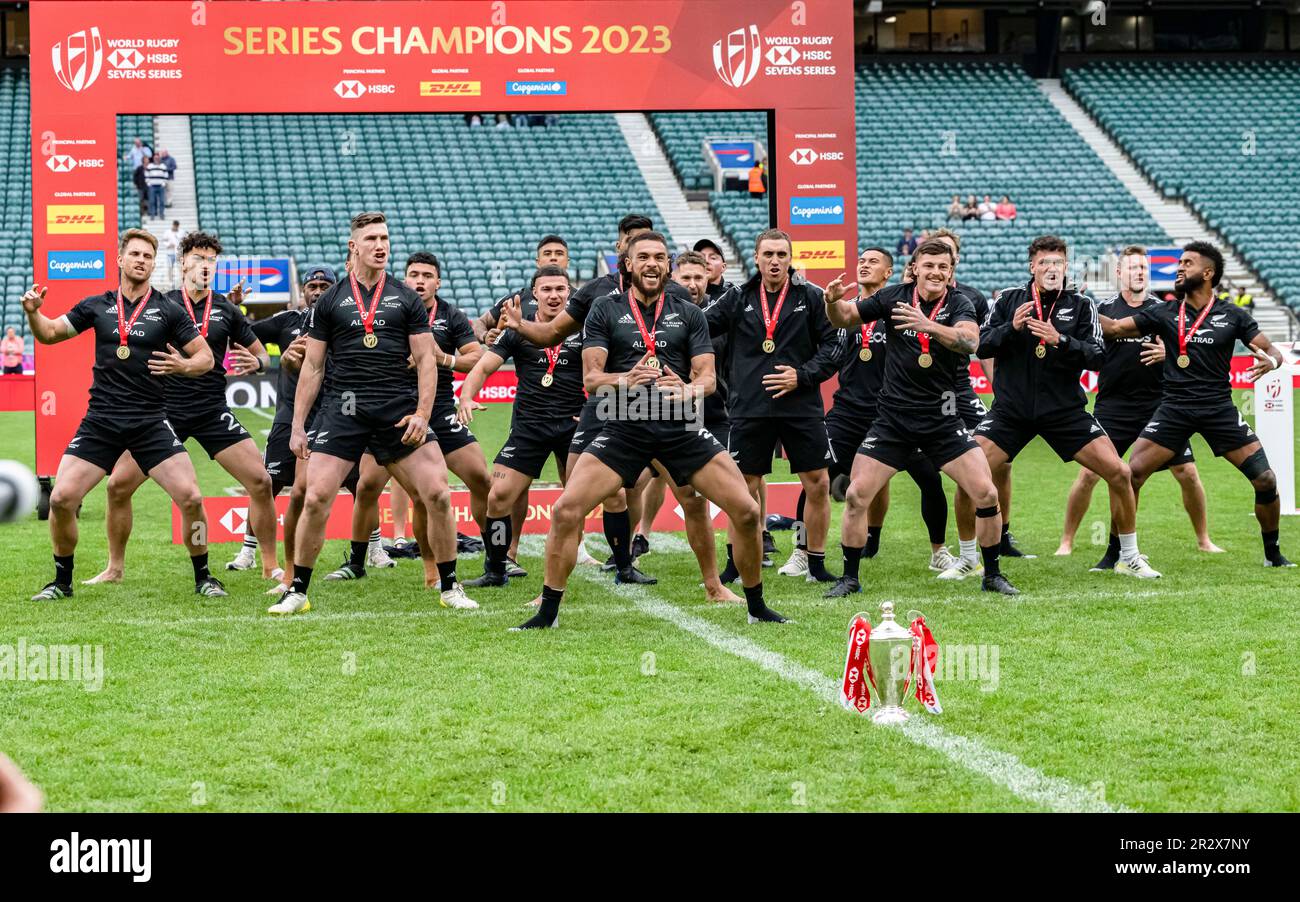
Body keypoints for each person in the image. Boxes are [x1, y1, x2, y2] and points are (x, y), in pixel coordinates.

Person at [511, 231, 786, 629]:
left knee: (746, 510)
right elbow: (591, 379)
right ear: (629, 265)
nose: (652, 264)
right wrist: (626, 379)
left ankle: (756, 606)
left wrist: (689, 388)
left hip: (681, 426)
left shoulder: (689, 313)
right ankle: (547, 613)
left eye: (659, 257)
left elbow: (707, 379)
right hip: (624, 423)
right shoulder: (604, 309)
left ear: (667, 265)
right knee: (566, 510)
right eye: (644, 258)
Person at [272, 211, 469, 615]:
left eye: (385, 238)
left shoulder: (406, 298)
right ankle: (297, 591)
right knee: (315, 496)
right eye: (372, 239)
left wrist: (421, 413)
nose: (381, 246)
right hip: (342, 411)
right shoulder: (329, 301)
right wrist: (297, 425)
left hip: (397, 409)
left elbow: (426, 361)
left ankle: (450, 585)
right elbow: (312, 367)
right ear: (353, 246)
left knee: (438, 494)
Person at [23, 229, 218, 600]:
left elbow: (206, 358)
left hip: (150, 421)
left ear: (153, 264)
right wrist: (34, 314)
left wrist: (182, 367)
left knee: (191, 498)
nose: (142, 260)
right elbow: (48, 334)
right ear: (120, 259)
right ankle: (62, 582)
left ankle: (204, 577)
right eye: (136, 254)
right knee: (62, 499)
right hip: (102, 421)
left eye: (148, 256)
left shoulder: (169, 310)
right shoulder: (95, 306)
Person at [500, 213, 693, 585]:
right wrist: (521, 325)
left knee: (686, 495)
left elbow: (697, 347)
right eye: (635, 243)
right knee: (578, 495)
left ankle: (706, 582)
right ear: (623, 249)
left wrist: (692, 386)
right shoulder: (594, 293)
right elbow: (553, 332)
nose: (646, 258)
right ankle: (555, 586)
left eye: (654, 250)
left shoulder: (678, 297)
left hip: (665, 408)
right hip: (606, 403)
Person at [822, 239, 1018, 597]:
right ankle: (850, 577)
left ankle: (992, 574)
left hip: (941, 420)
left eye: (943, 267)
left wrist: (928, 326)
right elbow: (847, 318)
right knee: (855, 495)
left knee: (986, 493)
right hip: (892, 420)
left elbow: (970, 342)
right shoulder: (893, 296)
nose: (936, 273)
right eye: (929, 266)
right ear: (915, 268)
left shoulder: (959, 302)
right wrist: (832, 301)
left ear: (951, 272)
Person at [84, 230, 279, 586]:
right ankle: (114, 568)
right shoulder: (163, 303)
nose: (205, 266)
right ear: (183, 262)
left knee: (261, 481)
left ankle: (269, 564)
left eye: (211, 260)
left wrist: (259, 366)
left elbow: (262, 355)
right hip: (163, 413)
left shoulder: (226, 308)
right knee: (117, 487)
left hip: (210, 411)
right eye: (198, 258)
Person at [969, 235, 1159, 579]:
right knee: (972, 474)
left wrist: (1061, 340)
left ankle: (1128, 556)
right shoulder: (1008, 300)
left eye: (1057, 263)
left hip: (1064, 412)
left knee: (1120, 473)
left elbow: (1099, 356)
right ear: (1032, 267)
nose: (1051, 269)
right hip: (1011, 411)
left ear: (1066, 267)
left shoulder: (1083, 305)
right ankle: (968, 558)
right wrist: (1011, 329)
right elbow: (980, 346)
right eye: (1044, 263)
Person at [1101, 241, 1293, 568]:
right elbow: (1117, 329)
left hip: (1219, 409)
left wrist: (1272, 363)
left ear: (1208, 273)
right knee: (1129, 476)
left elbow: (1272, 350)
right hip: (1173, 409)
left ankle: (1273, 554)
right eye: (1179, 262)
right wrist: (1082, 309)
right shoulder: (1164, 311)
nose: (1179, 267)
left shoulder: (1233, 314)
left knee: (1266, 480)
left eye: (1187, 263)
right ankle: (1115, 553)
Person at [786, 246, 955, 578]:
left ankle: (937, 551)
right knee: (816, 478)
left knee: (930, 480)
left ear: (889, 272)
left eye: (872, 262)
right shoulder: (846, 314)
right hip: (847, 413)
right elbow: (830, 352)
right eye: (860, 261)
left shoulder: (901, 308)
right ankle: (801, 551)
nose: (863, 265)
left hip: (893, 415)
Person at [1057, 245, 1221, 563]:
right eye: (1132, 267)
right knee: (1089, 475)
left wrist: (1167, 355)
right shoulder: (1102, 310)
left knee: (1187, 472)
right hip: (1113, 405)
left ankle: (1204, 539)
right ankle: (1067, 540)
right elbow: (1087, 349)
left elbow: (1186, 355)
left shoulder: (1166, 312)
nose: (1139, 273)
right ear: (1119, 273)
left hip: (1158, 406)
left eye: (1143, 268)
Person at [703, 229, 840, 585]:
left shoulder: (812, 298)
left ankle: (816, 561)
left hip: (801, 407)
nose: (775, 261)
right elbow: (699, 326)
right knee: (744, 487)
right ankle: (736, 564)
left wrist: (803, 375)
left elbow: (833, 349)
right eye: (768, 255)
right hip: (750, 408)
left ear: (790, 258)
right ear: (756, 258)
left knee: (818, 483)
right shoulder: (738, 297)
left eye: (781, 254)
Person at [459, 266, 584, 587]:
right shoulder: (517, 331)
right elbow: (485, 365)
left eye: (560, 289)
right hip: (530, 426)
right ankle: (497, 569)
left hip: (575, 424)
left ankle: (622, 564)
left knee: (594, 498)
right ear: (535, 295)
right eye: (547, 290)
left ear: (569, 293)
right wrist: (467, 396)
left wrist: (599, 410)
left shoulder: (585, 328)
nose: (554, 295)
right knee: (499, 496)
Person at [241, 265, 340, 594]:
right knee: (268, 485)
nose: (317, 289)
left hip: (333, 417)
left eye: (325, 285)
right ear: (303, 292)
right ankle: (249, 550)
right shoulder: (287, 321)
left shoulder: (344, 323)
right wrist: (232, 307)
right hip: (289, 417)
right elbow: (244, 332)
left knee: (363, 485)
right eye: (312, 285)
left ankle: (370, 549)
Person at [472, 234, 570, 342]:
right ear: (538, 262)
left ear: (568, 261)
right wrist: (485, 336)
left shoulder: (583, 298)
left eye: (559, 253)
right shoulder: (516, 299)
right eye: (547, 254)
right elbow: (479, 323)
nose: (553, 258)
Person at [145, 153, 168, 219]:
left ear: (159, 158)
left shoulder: (163, 166)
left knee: (162, 201)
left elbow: (166, 175)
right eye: (155, 158)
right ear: (153, 158)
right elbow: (146, 174)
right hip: (152, 186)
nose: (156, 159)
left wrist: (164, 183)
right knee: (152, 201)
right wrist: (148, 183)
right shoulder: (150, 166)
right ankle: (152, 214)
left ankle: (161, 214)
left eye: (157, 158)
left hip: (161, 186)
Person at [163, 221, 184, 287]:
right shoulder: (167, 232)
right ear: (173, 225)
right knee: (170, 268)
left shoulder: (182, 232)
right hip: (170, 253)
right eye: (174, 226)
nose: (175, 227)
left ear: (178, 226)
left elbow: (184, 241)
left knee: (180, 268)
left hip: (178, 253)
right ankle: (171, 282)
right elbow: (164, 241)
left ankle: (182, 283)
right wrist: (168, 245)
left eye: (176, 226)